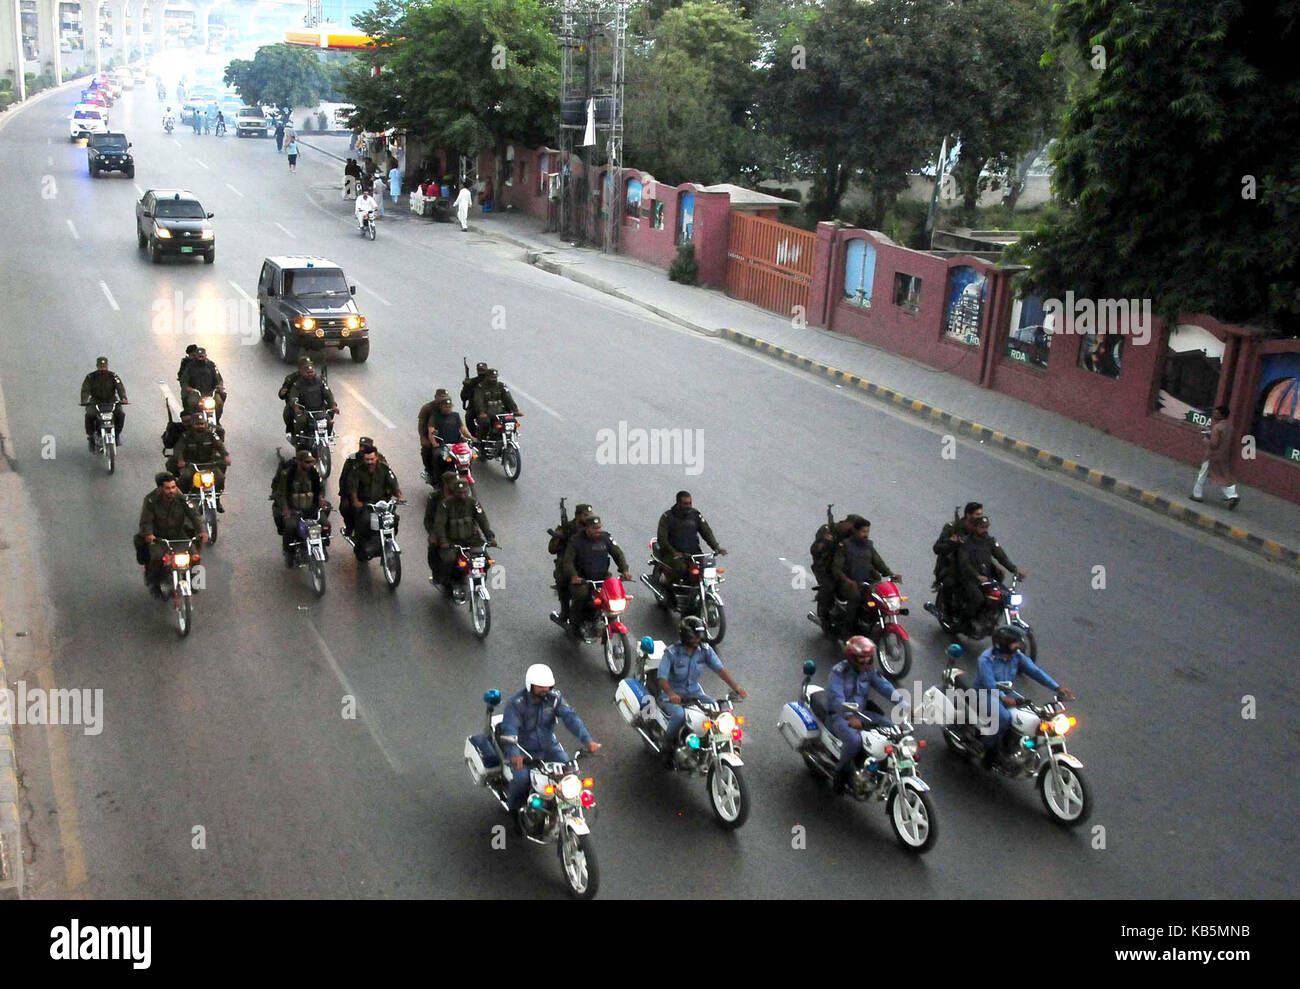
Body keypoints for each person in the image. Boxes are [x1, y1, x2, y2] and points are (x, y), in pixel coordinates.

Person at [501, 664, 600, 818]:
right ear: (530, 685)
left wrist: (587, 740)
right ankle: (514, 811)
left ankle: (565, 808)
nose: (545, 689)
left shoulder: (554, 698)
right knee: (521, 779)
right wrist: (514, 754)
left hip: (548, 748)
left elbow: (571, 718)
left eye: (547, 686)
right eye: (540, 686)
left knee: (569, 772)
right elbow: (509, 730)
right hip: (524, 751)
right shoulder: (517, 703)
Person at [974, 626, 1074, 769]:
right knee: (1004, 718)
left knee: (1035, 714)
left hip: (1006, 692)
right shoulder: (986, 659)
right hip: (985, 694)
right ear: (1003, 644)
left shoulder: (1017, 657)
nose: (1019, 645)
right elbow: (989, 684)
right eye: (1015, 642)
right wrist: (1003, 698)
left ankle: (1017, 745)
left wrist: (1057, 687)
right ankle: (987, 751)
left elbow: (1035, 672)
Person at [656, 616, 747, 769]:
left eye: (700, 635)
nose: (699, 639)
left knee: (716, 709)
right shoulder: (672, 653)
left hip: (695, 694)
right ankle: (666, 747)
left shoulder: (704, 651)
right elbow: (661, 678)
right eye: (695, 636)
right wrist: (671, 693)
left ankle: (714, 744)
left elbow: (720, 670)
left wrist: (736, 687)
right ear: (686, 636)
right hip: (671, 698)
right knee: (679, 715)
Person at [825, 637, 903, 793]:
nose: (866, 662)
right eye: (862, 658)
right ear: (852, 658)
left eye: (868, 659)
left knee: (894, 731)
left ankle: (881, 768)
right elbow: (836, 698)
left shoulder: (869, 671)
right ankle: (840, 774)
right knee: (854, 741)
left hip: (862, 714)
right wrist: (849, 716)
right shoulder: (839, 672)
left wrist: (904, 705)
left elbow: (886, 688)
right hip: (840, 717)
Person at [135, 472, 204, 598]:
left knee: (195, 557)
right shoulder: (151, 500)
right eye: (167, 488)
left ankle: (196, 584)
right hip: (159, 537)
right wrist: (149, 534)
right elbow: (146, 521)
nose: (171, 491)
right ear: (160, 488)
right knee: (156, 559)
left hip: (179, 535)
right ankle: (155, 584)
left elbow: (194, 515)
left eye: (173, 487)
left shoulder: (182, 498)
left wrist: (202, 530)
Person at [561, 515, 632, 630]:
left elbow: (617, 554)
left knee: (614, 593)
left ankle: (605, 617)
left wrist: (624, 570)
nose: (597, 530)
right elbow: (568, 561)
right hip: (583, 578)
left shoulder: (605, 538)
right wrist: (574, 576)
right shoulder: (576, 541)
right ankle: (575, 622)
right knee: (582, 595)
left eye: (599, 527)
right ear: (587, 528)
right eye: (594, 528)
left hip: (602, 576)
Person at [830, 518, 900, 633]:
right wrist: (848, 581)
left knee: (879, 598)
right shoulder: (845, 546)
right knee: (856, 598)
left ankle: (870, 621)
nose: (866, 535)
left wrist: (891, 574)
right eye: (863, 532)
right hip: (849, 582)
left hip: (867, 581)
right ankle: (847, 630)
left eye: (868, 532)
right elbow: (836, 568)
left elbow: (878, 562)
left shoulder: (868, 545)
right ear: (855, 531)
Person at [955, 515, 1024, 625]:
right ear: (975, 527)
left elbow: (1001, 557)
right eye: (982, 527)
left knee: (1004, 595)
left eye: (986, 527)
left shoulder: (990, 541)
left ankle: (989, 618)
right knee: (978, 599)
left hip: (986, 577)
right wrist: (977, 576)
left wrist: (1015, 569)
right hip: (969, 578)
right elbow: (964, 563)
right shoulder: (966, 542)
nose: (984, 530)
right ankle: (962, 622)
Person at [432, 479, 496, 590]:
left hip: (472, 539)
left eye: (465, 492)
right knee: (448, 560)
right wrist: (443, 541)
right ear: (454, 492)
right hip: (452, 541)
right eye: (459, 493)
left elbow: (483, 520)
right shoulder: (445, 505)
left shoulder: (473, 503)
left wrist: (490, 537)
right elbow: (440, 524)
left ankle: (480, 580)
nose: (463, 496)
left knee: (486, 560)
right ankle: (450, 582)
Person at [654, 490, 725, 586]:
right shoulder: (667, 517)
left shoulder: (695, 515)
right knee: (681, 568)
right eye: (685, 503)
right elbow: (662, 539)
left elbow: (706, 532)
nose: (688, 506)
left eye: (690, 503)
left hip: (693, 553)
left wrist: (716, 547)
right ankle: (667, 584)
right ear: (678, 503)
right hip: (674, 554)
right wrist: (673, 552)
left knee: (706, 567)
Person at [927, 502, 985, 618]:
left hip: (971, 568)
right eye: (977, 515)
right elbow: (937, 548)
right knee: (950, 583)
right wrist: (953, 542)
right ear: (968, 515)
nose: (981, 517)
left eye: (981, 514)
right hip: (950, 568)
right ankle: (947, 614)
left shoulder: (979, 530)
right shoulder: (952, 528)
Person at [342, 446, 404, 552]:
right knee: (364, 521)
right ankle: (361, 545)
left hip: (382, 503)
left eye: (372, 459)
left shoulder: (384, 469)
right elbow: (353, 487)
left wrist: (399, 496)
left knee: (394, 519)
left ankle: (389, 539)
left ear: (376, 458)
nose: (370, 462)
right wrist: (356, 501)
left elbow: (393, 482)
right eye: (367, 459)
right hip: (366, 504)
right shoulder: (357, 470)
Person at [811, 512, 865, 625]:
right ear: (848, 523)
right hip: (824, 567)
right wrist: (825, 542)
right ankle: (824, 617)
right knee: (830, 585)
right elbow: (815, 550)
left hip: (844, 566)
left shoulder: (852, 535)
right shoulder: (826, 530)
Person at [274, 449, 325, 566]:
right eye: (306, 462)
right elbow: (282, 493)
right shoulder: (287, 475)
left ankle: (323, 545)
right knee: (290, 527)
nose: (309, 464)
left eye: (311, 462)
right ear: (299, 462)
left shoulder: (313, 473)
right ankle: (289, 553)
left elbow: (318, 489)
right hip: (294, 509)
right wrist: (286, 509)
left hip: (310, 508)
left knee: (324, 523)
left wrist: (321, 500)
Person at [169, 418, 230, 509]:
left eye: (202, 424)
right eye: (197, 424)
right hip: (192, 464)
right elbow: (179, 449)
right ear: (193, 424)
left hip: (209, 464)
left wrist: (225, 456)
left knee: (220, 478)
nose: (200, 426)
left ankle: (217, 500)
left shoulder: (212, 435)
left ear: (206, 424)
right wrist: (180, 460)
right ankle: (183, 500)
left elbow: (220, 446)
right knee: (184, 477)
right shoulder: (186, 436)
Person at [549, 503, 594, 623]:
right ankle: (565, 611)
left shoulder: (590, 529)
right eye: (586, 515)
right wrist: (560, 538)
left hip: (585, 563)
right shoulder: (566, 527)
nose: (589, 517)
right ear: (578, 516)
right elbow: (551, 549)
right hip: (566, 563)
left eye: (590, 514)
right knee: (562, 579)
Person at [1191, 405, 1239, 510]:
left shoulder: (1217, 427)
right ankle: (1233, 495)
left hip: (1212, 456)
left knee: (1202, 474)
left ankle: (1197, 495)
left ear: (1222, 415)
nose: (1214, 415)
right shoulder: (1229, 427)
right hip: (1224, 456)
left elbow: (1213, 444)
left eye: (1217, 413)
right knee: (1221, 477)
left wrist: (1204, 437)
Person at [80, 356, 128, 450]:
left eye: (104, 366)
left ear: (107, 366)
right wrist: (84, 400)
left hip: (111, 400)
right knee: (90, 415)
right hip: (96, 401)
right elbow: (85, 389)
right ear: (97, 366)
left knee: (120, 414)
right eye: (101, 366)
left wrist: (123, 398)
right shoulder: (90, 377)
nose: (103, 368)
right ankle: (91, 437)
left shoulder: (113, 376)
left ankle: (116, 435)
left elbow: (120, 387)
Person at [287, 363, 338, 444]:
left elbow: (328, 394)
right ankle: (298, 438)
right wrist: (296, 407)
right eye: (308, 372)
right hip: (306, 411)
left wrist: (333, 405)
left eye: (312, 372)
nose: (310, 374)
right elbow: (293, 397)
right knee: (301, 421)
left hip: (320, 410)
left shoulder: (320, 382)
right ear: (303, 373)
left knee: (329, 422)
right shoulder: (298, 384)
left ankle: (328, 436)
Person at [424, 471, 460, 583]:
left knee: (484, 558)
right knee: (435, 551)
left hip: (460, 531)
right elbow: (428, 520)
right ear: (445, 484)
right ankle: (438, 575)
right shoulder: (434, 498)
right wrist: (433, 534)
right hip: (442, 533)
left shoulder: (461, 495)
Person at [469, 367, 523, 438]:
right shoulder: (480, 387)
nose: (494, 379)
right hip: (487, 413)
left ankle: (510, 436)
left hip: (500, 412)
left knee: (512, 421)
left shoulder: (501, 386)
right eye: (492, 377)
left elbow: (508, 398)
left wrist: (515, 410)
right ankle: (481, 441)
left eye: (495, 377)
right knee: (485, 423)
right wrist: (482, 412)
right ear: (487, 377)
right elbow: (479, 401)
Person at [425, 396, 472, 475]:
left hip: (457, 443)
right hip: (442, 444)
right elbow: (431, 431)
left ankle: (467, 470)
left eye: (450, 407)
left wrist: (471, 437)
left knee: (471, 454)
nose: (448, 408)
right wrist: (434, 443)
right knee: (437, 456)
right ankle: (437, 479)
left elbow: (463, 429)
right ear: (441, 407)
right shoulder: (435, 417)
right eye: (446, 407)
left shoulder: (455, 415)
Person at [179, 346, 225, 423]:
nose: (200, 358)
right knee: (192, 402)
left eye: (202, 356)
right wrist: (188, 388)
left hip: (210, 392)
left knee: (219, 402)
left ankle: (217, 420)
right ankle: (194, 420)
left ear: (205, 355)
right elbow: (184, 380)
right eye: (199, 356)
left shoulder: (211, 365)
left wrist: (219, 386)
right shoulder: (189, 366)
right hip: (196, 392)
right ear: (195, 356)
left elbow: (219, 378)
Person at [416, 389, 453, 476]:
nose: (443, 399)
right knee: (427, 451)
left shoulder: (447, 407)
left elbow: (455, 423)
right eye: (441, 397)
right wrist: (424, 439)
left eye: (445, 397)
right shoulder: (427, 408)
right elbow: (421, 426)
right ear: (436, 397)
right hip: (431, 436)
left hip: (446, 436)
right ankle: (431, 473)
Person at [279, 356, 315, 432]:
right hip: (297, 403)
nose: (308, 369)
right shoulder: (291, 378)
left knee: (329, 410)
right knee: (288, 413)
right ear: (300, 369)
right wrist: (283, 392)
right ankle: (290, 430)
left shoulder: (315, 377)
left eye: (309, 366)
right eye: (305, 367)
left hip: (313, 402)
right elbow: (282, 394)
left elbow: (323, 389)